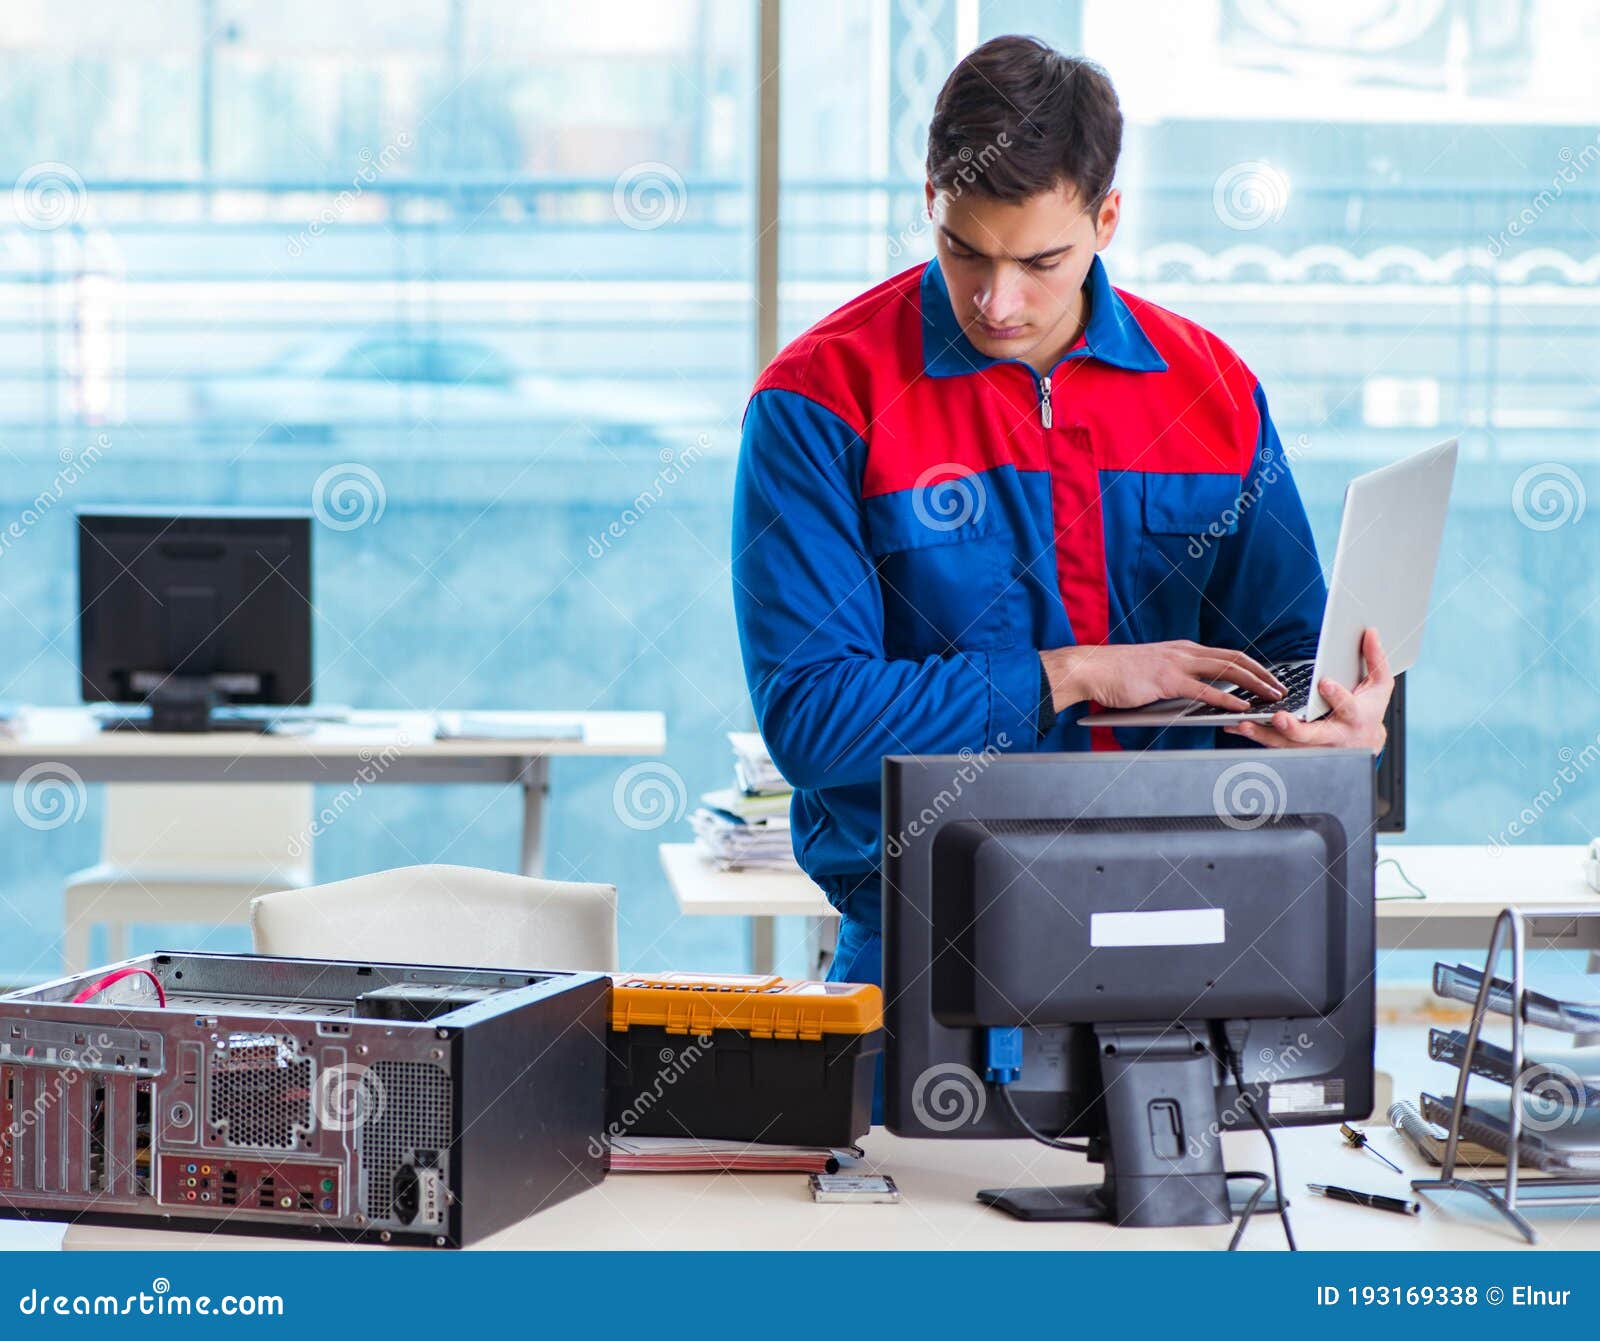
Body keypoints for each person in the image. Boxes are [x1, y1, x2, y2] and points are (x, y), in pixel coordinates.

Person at [732, 35, 1392, 1000]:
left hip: (1194, 918)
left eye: (1041, 260)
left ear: (1108, 217)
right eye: (965, 250)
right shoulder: (819, 402)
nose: (998, 301)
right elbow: (815, 718)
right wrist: (1073, 676)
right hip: (925, 941)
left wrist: (1345, 722)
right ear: (931, 197)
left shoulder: (1213, 391)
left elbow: (1295, 652)